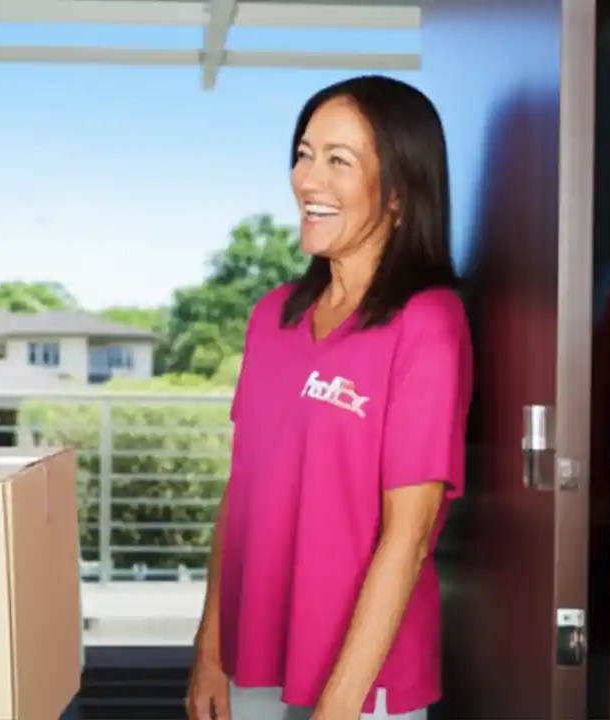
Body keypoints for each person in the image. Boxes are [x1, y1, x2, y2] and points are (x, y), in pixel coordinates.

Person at [186, 75, 473, 720]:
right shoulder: (271, 317)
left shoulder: (425, 323)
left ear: (398, 192)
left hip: (362, 683)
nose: (308, 180)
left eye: (338, 161)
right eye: (305, 154)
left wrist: (339, 708)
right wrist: (209, 649)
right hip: (253, 660)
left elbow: (411, 534)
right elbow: (241, 494)